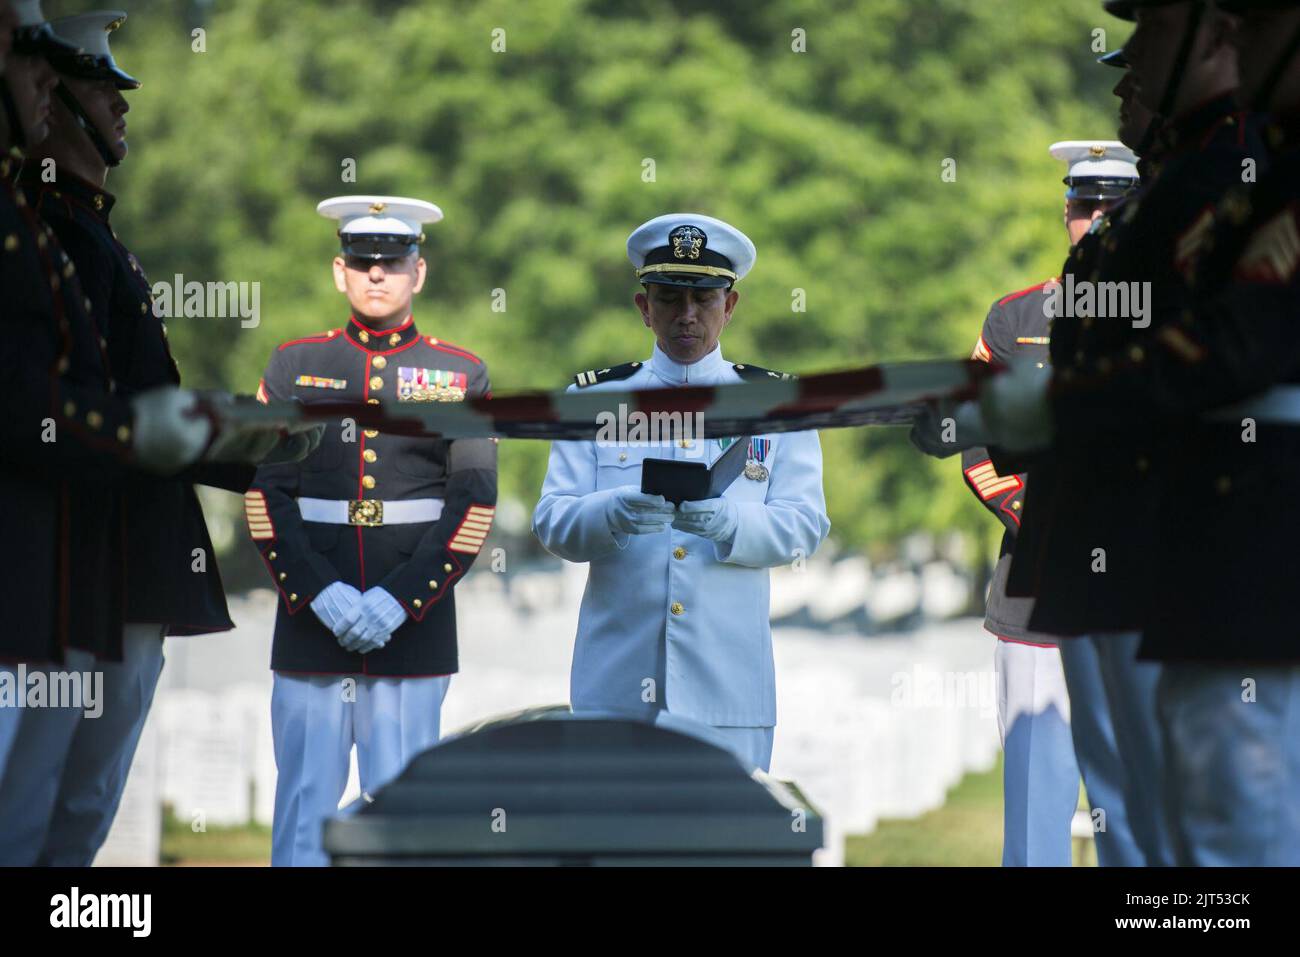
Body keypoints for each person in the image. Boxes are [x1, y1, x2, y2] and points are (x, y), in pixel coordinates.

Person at [979, 0, 1300, 864]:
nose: (1133, 62)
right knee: (1171, 819)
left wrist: (1063, 406)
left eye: (1157, 28)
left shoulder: (1246, 172)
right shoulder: (1220, 174)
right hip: (1186, 533)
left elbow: (1237, 340)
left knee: (1234, 816)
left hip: (1247, 532)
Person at [0, 0, 308, 865]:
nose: (123, 104)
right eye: (103, 87)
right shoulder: (50, 228)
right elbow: (68, 408)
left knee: (78, 804)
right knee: (43, 806)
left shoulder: (88, 231)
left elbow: (133, 403)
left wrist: (244, 441)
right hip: (80, 560)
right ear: (56, 98)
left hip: (119, 556)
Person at [248, 195, 498, 866]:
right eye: (363, 262)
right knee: (305, 810)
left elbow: (472, 503)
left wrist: (399, 599)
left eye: (393, 262)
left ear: (420, 271)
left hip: (411, 629)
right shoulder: (294, 365)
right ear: (340, 271)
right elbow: (266, 493)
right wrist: (317, 592)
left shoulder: (459, 374)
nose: (378, 274)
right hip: (310, 625)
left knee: (405, 820)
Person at [532, 213, 831, 772]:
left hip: (726, 688)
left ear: (731, 306)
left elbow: (805, 526)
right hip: (616, 688)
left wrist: (728, 524)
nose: (687, 315)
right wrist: (611, 513)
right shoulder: (596, 399)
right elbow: (553, 521)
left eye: (705, 298)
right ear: (644, 308)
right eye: (669, 298)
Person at [949, 140, 1143, 867]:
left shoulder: (1183, 314)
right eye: (1086, 206)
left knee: (1137, 820)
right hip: (1036, 599)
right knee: (1034, 824)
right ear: (1066, 211)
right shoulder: (1014, 318)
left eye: (1115, 209)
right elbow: (975, 447)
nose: (1096, 222)